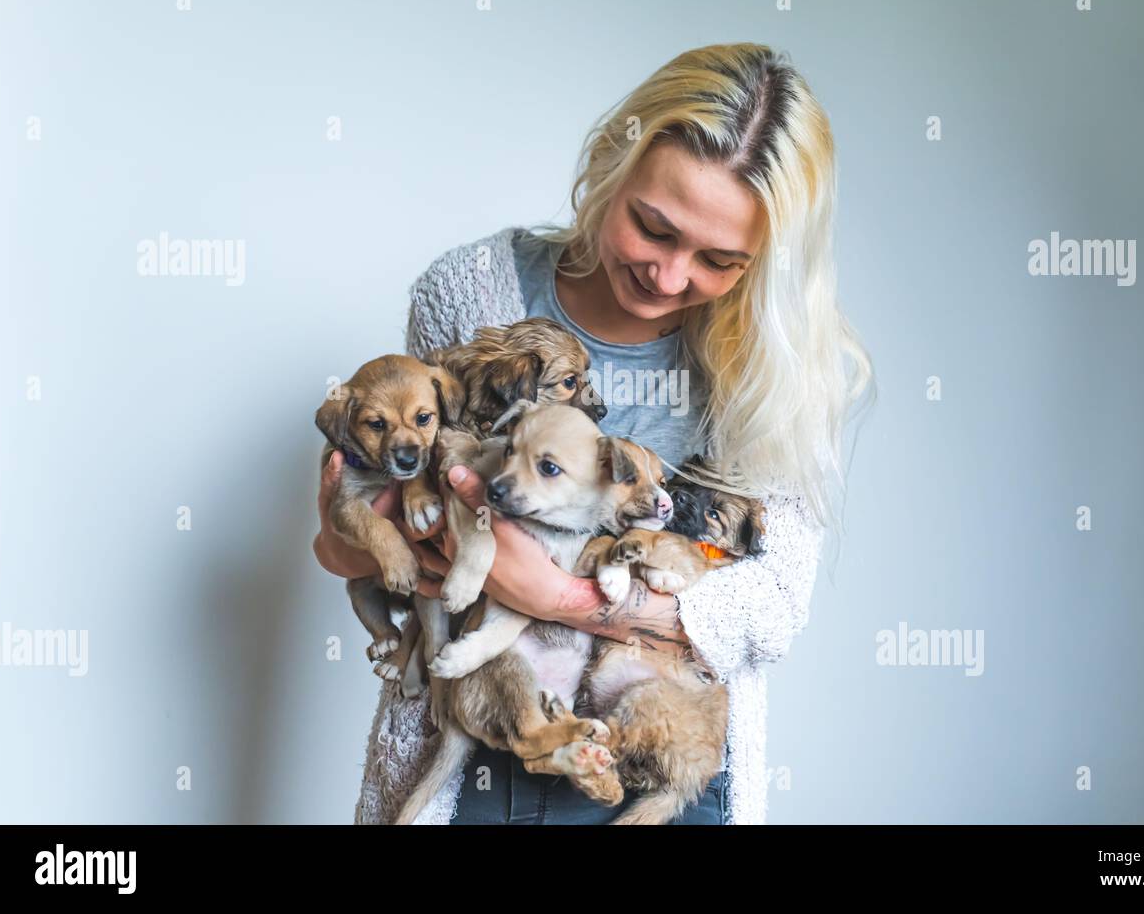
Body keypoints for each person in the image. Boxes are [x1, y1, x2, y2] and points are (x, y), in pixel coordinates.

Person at [313, 42, 873, 824]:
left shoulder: (772, 363)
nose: (670, 278)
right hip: (482, 755)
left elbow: (772, 606)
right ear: (615, 160)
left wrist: (563, 597)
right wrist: (360, 535)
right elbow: (375, 532)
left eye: (720, 261)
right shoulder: (473, 293)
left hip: (663, 757)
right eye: (653, 227)